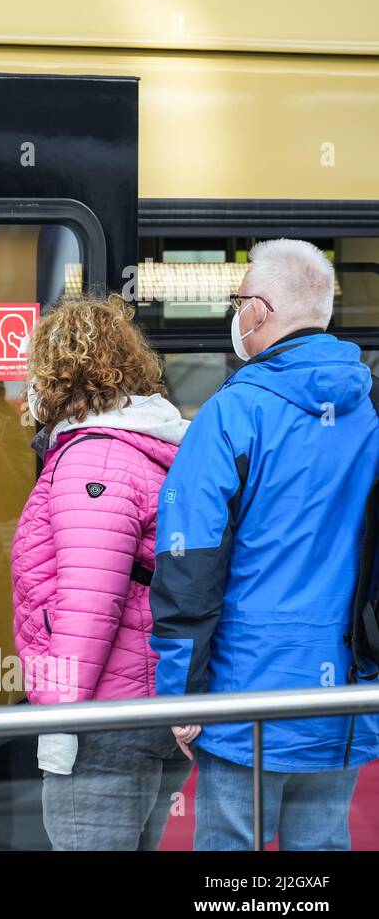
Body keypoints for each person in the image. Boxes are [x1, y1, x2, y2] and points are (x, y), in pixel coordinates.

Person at [152, 239, 379, 850]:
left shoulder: (232, 415)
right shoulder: (372, 411)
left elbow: (187, 565)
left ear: (259, 309)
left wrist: (179, 694)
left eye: (238, 299)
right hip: (345, 696)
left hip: (245, 697)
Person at [10, 296, 192, 850]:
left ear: (63, 372)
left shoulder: (94, 460)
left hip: (105, 719)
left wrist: (60, 729)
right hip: (144, 703)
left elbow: (90, 605)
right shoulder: (140, 447)